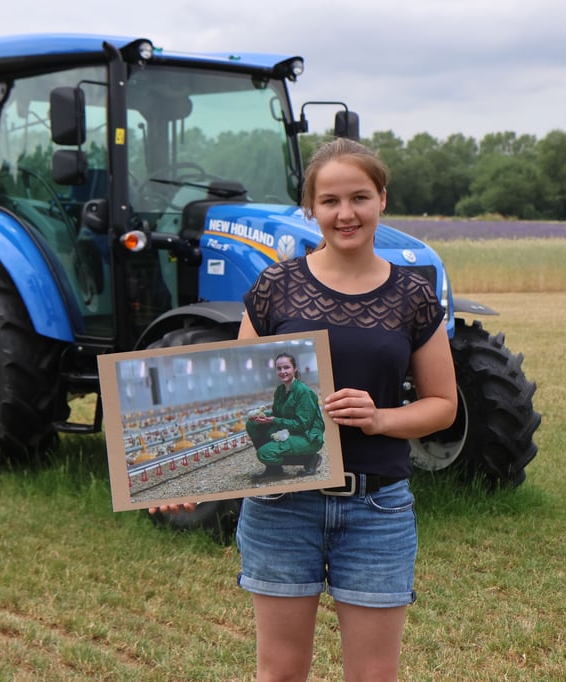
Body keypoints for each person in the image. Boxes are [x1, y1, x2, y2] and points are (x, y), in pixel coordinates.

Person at [234, 137, 458, 680]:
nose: (345, 213)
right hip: (282, 505)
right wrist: (184, 487)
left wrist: (380, 418)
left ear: (382, 198)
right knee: (280, 673)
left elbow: (444, 406)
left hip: (376, 511)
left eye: (359, 197)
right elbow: (237, 407)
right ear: (310, 208)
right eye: (330, 200)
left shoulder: (414, 296)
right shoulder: (273, 289)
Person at [245, 352, 325, 480]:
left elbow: (302, 424)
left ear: (295, 369)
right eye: (279, 368)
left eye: (286, 367)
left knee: (264, 454)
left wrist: (274, 420)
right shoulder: (280, 390)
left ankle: (310, 459)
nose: (283, 371)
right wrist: (263, 417)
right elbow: (277, 414)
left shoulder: (304, 392)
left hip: (306, 435)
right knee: (252, 424)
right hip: (289, 429)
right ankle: (274, 468)